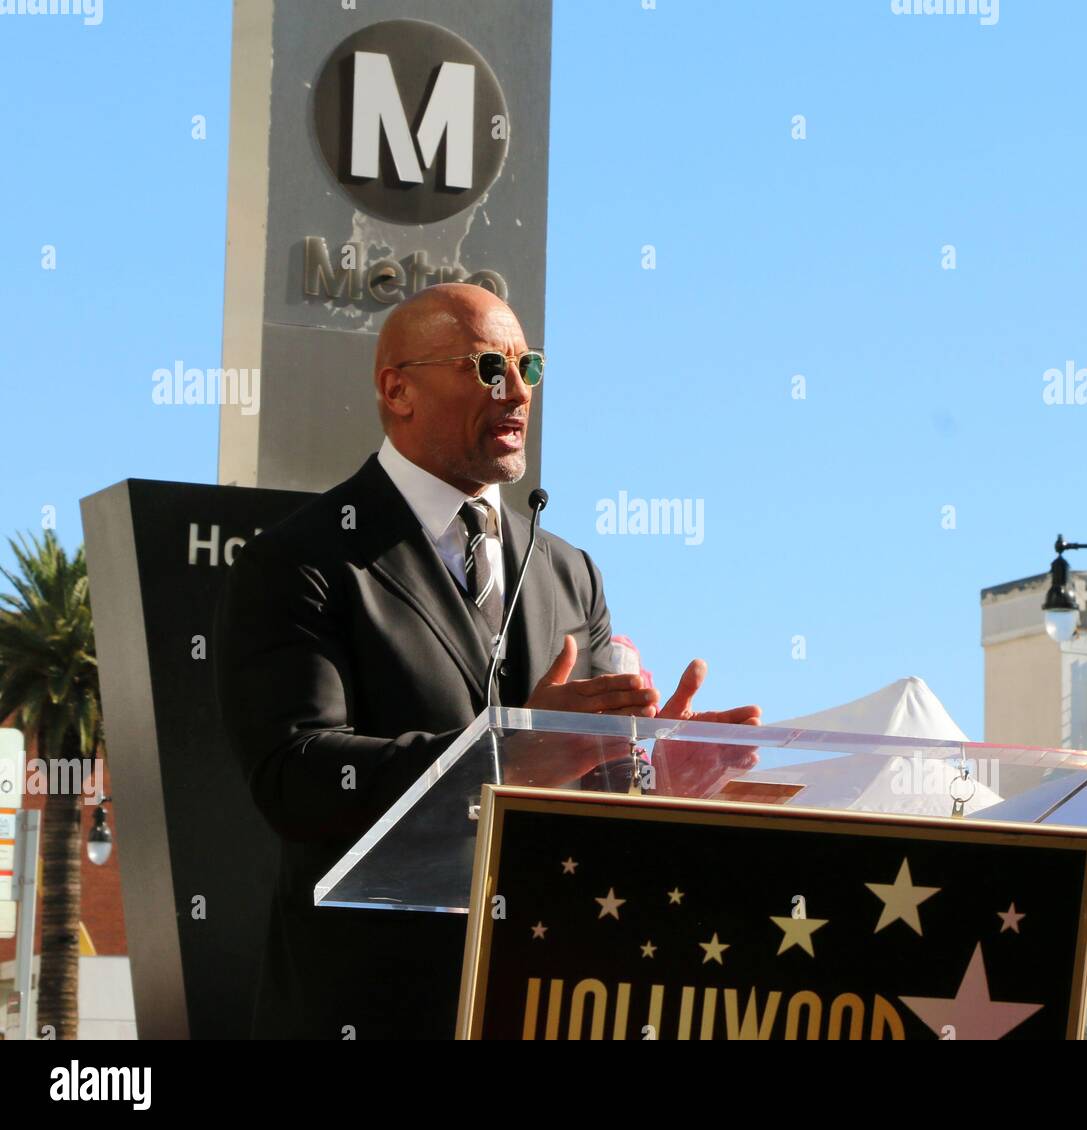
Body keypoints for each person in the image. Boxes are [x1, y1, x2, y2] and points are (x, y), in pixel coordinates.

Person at [214, 282, 759, 1039]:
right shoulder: (304, 559)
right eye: (485, 368)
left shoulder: (571, 572)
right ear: (395, 389)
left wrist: (649, 785)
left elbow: (590, 786)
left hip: (540, 999)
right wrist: (505, 757)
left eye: (528, 369)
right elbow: (296, 775)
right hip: (369, 1009)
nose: (516, 393)